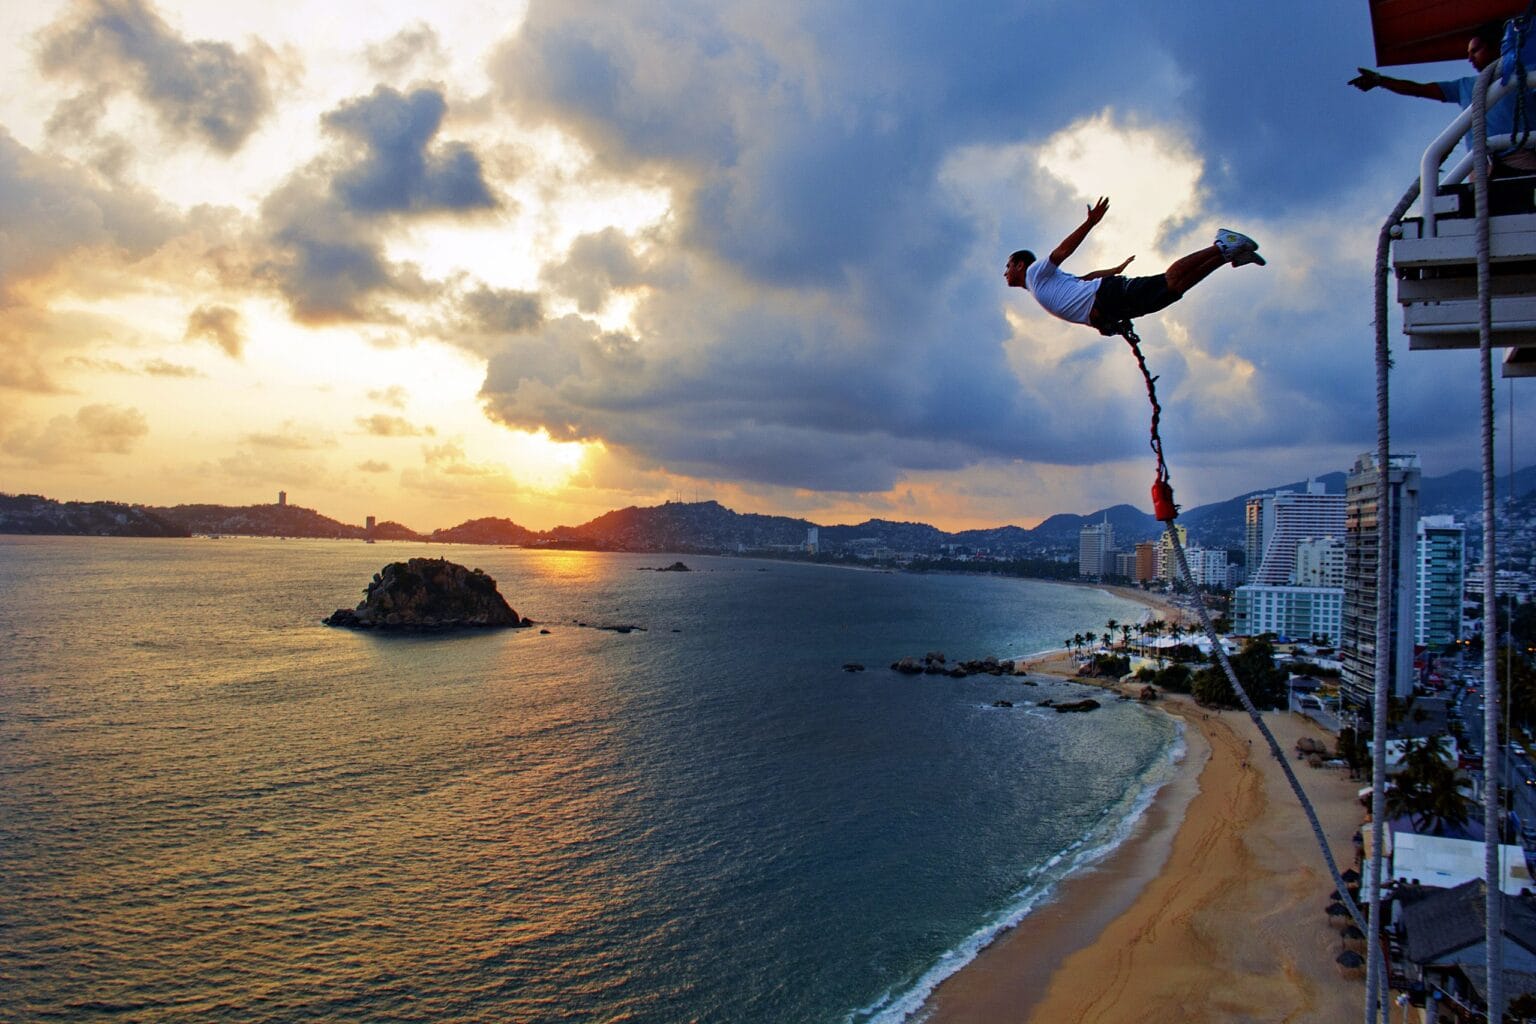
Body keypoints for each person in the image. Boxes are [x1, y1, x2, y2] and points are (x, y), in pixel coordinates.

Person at [1004, 197, 1264, 335]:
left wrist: (1090, 223)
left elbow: (1063, 251)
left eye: (1008, 266)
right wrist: (1101, 324)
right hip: (1108, 307)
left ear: (1019, 264)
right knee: (1174, 291)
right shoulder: (1042, 285)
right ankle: (1228, 254)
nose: (1005, 273)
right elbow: (1082, 280)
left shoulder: (1036, 272)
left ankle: (1221, 244)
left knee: (1168, 280)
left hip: (1107, 296)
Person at [1349, 20, 1536, 175]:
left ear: (1496, 47)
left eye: (1475, 50)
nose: (1470, 58)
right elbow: (1419, 89)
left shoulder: (1524, 76)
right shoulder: (1464, 86)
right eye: (1468, 54)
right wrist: (1380, 80)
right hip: (1480, 167)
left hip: (1520, 157)